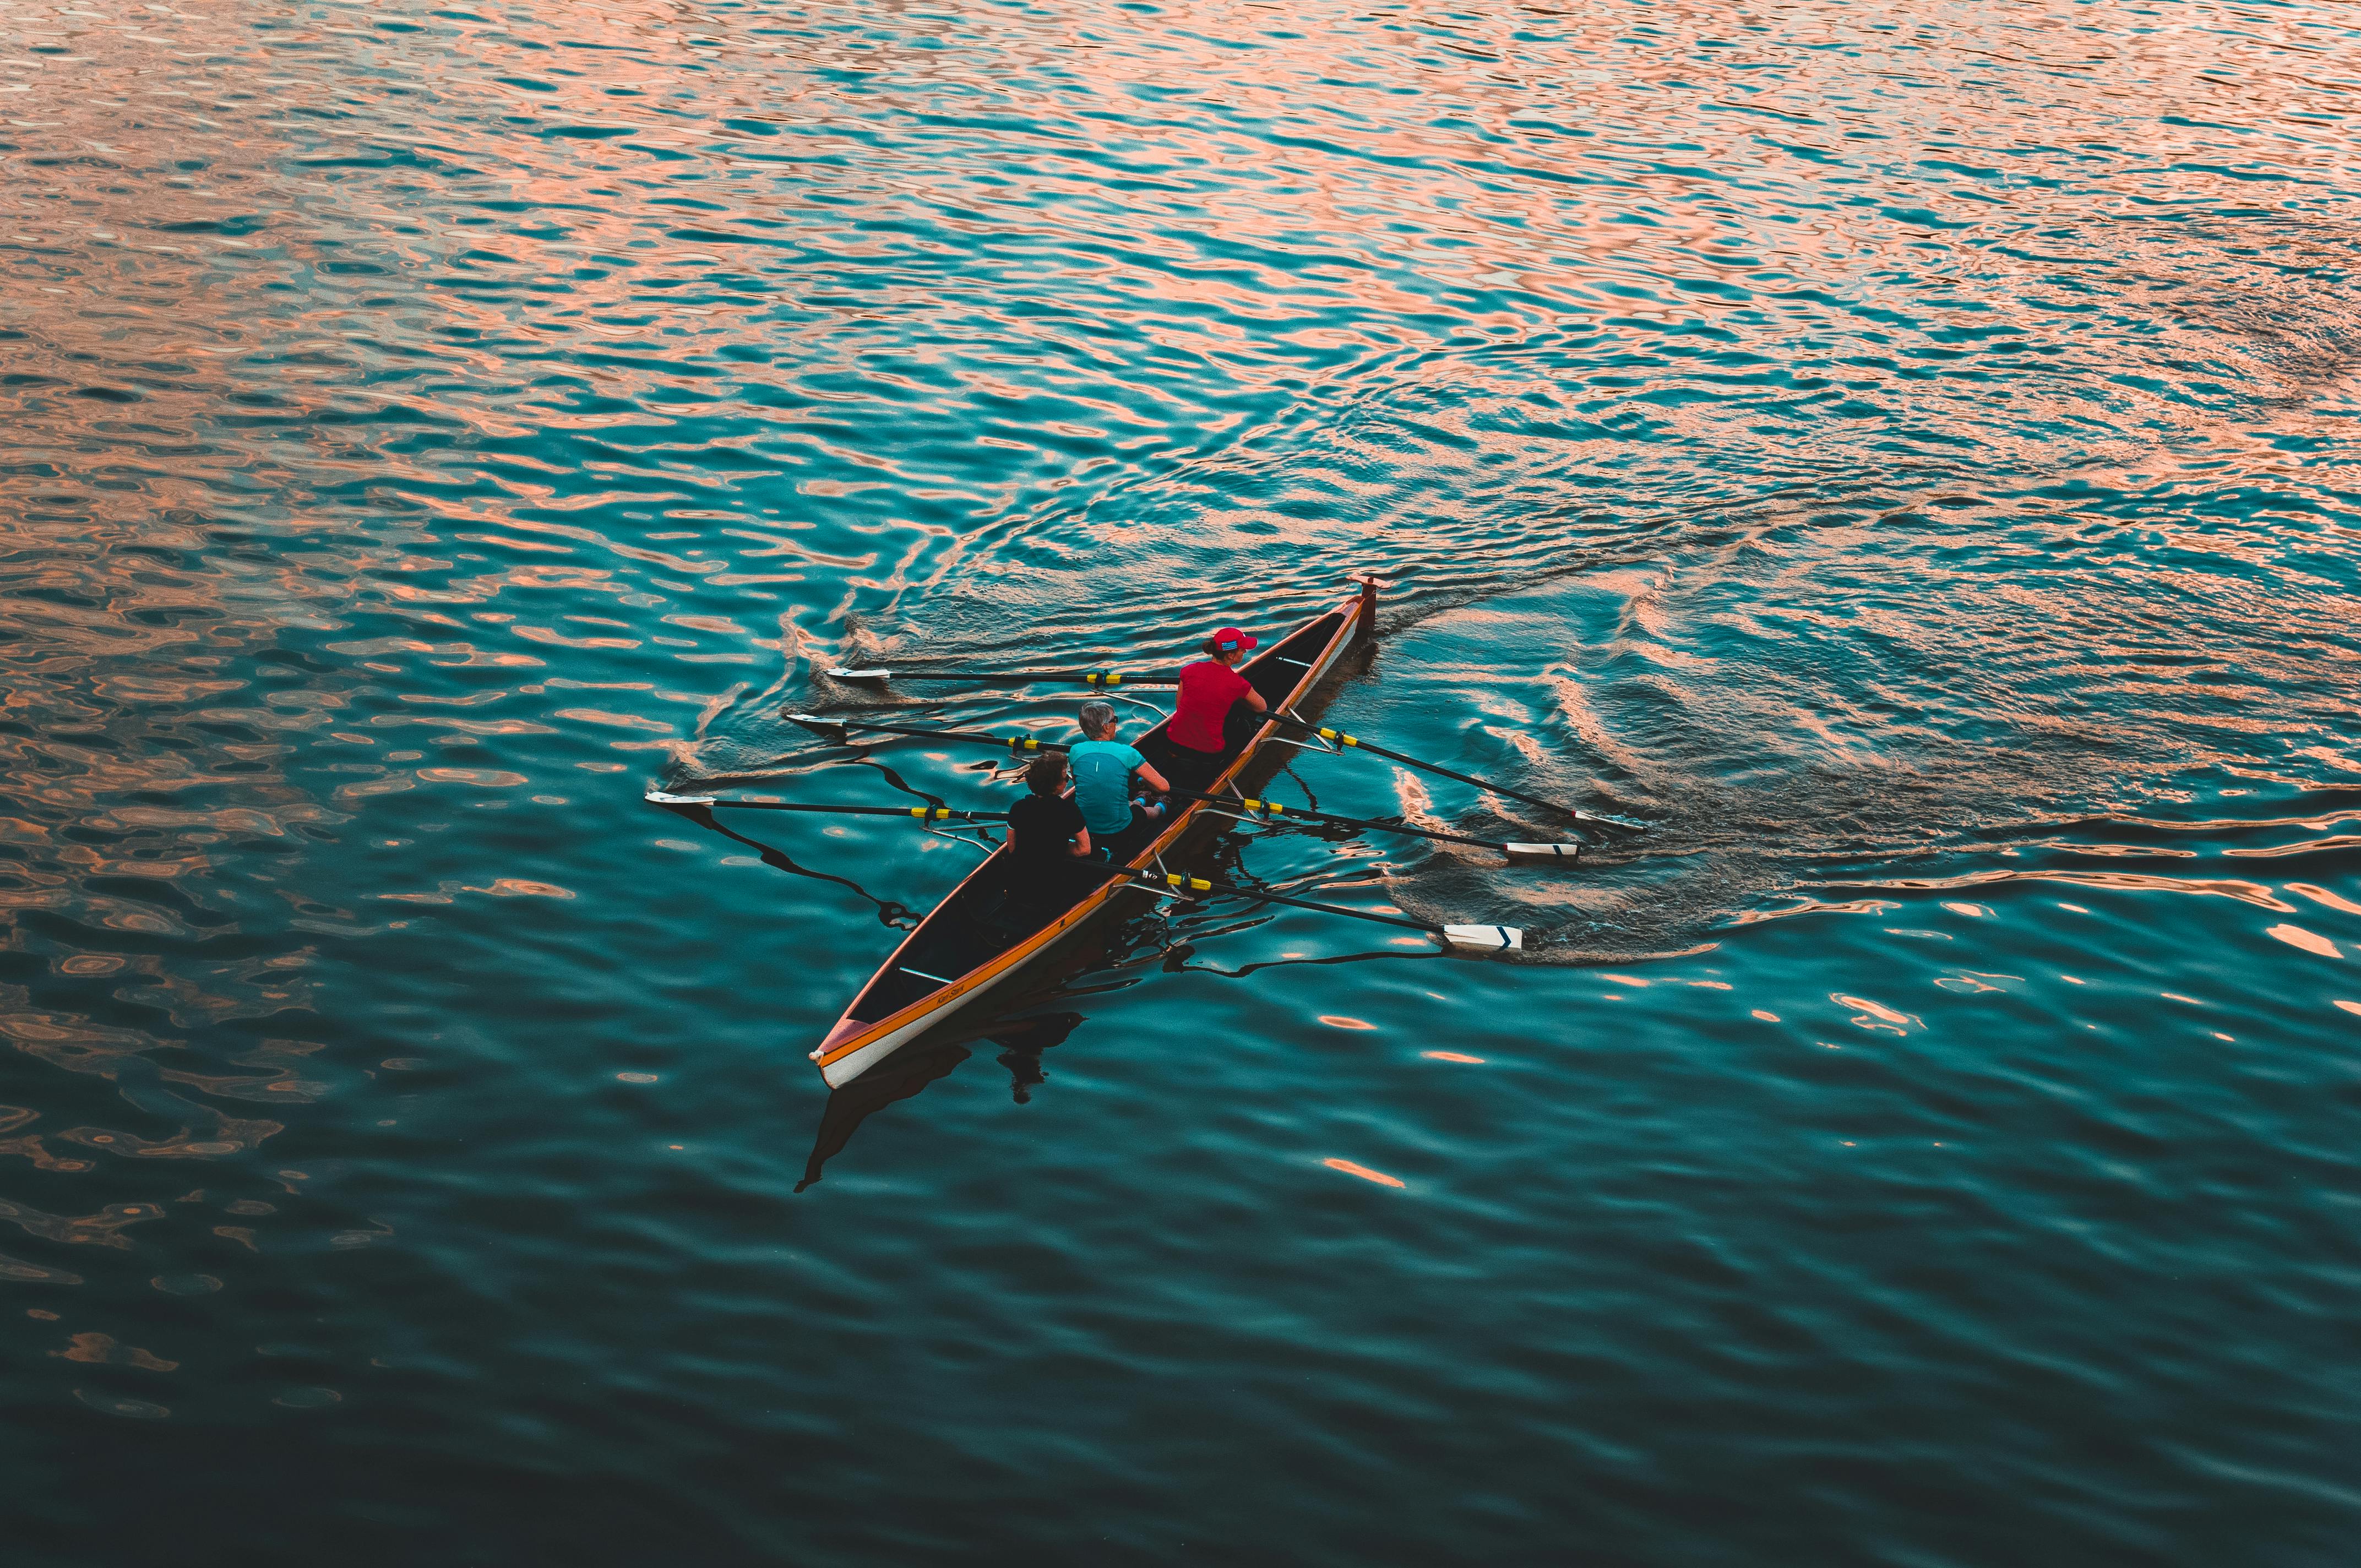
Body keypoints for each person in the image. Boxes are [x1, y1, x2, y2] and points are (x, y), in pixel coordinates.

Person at [1161, 625, 1267, 793]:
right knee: (1242, 723)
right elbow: (1262, 707)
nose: (1245, 652)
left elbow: (1179, 706)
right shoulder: (1237, 683)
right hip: (1208, 754)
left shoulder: (1189, 670)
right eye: (1242, 649)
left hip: (1174, 745)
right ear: (1230, 655)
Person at [1070, 700, 1170, 862]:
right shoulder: (1127, 753)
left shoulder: (1075, 751)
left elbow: (1079, 785)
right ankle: (1161, 807)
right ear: (1106, 727)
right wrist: (1146, 783)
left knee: (1120, 802)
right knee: (1141, 813)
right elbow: (1164, 787)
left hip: (1084, 827)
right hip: (1119, 830)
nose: (1116, 723)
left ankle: (1138, 800)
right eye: (1114, 720)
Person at [1004, 753, 1094, 886]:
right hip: (1052, 888)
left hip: (1016, 883)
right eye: (1065, 778)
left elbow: (1012, 849)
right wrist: (1056, 849)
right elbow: (1084, 849)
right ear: (1054, 785)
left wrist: (1041, 849)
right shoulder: (1069, 810)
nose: (1067, 780)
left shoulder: (1018, 807)